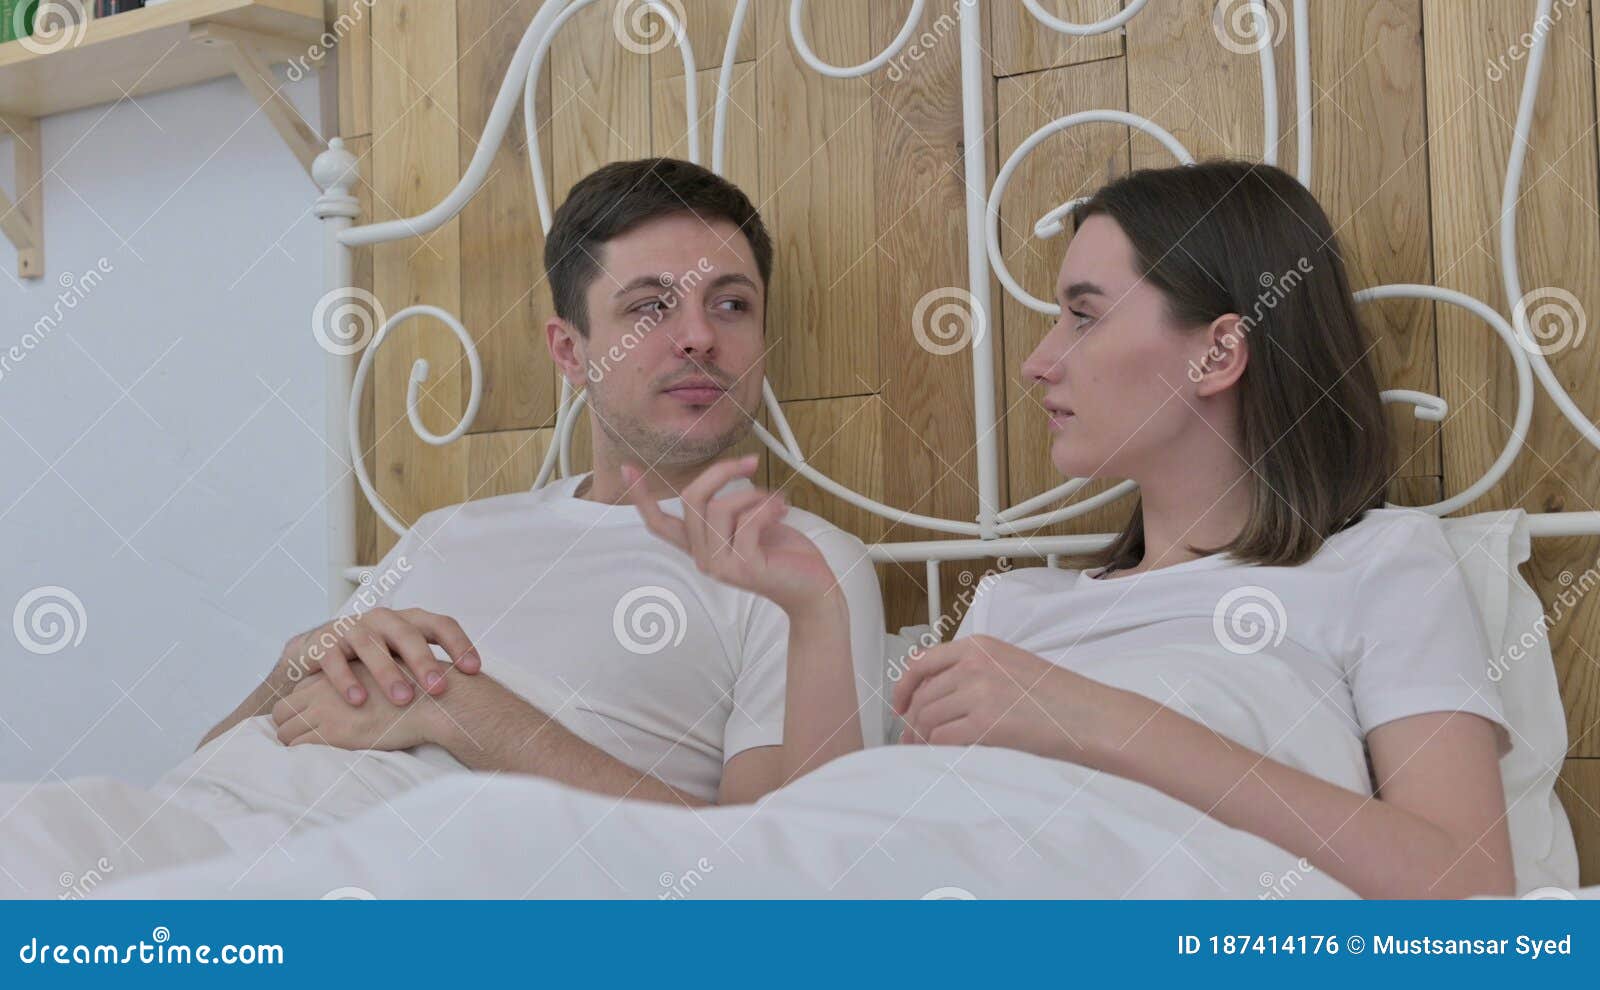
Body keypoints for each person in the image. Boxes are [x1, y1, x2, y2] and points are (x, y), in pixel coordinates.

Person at [893, 160, 1515, 899]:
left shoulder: (1382, 564)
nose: (1037, 362)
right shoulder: (1009, 610)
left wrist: (1090, 716)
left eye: (1083, 316)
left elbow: (1470, 893)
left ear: (1218, 352)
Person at [201, 157, 885, 808]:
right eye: (651, 306)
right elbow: (200, 771)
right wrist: (288, 670)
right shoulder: (447, 531)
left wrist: (457, 708)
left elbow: (769, 871)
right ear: (570, 351)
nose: (699, 336)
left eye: (731, 304)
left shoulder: (799, 574)